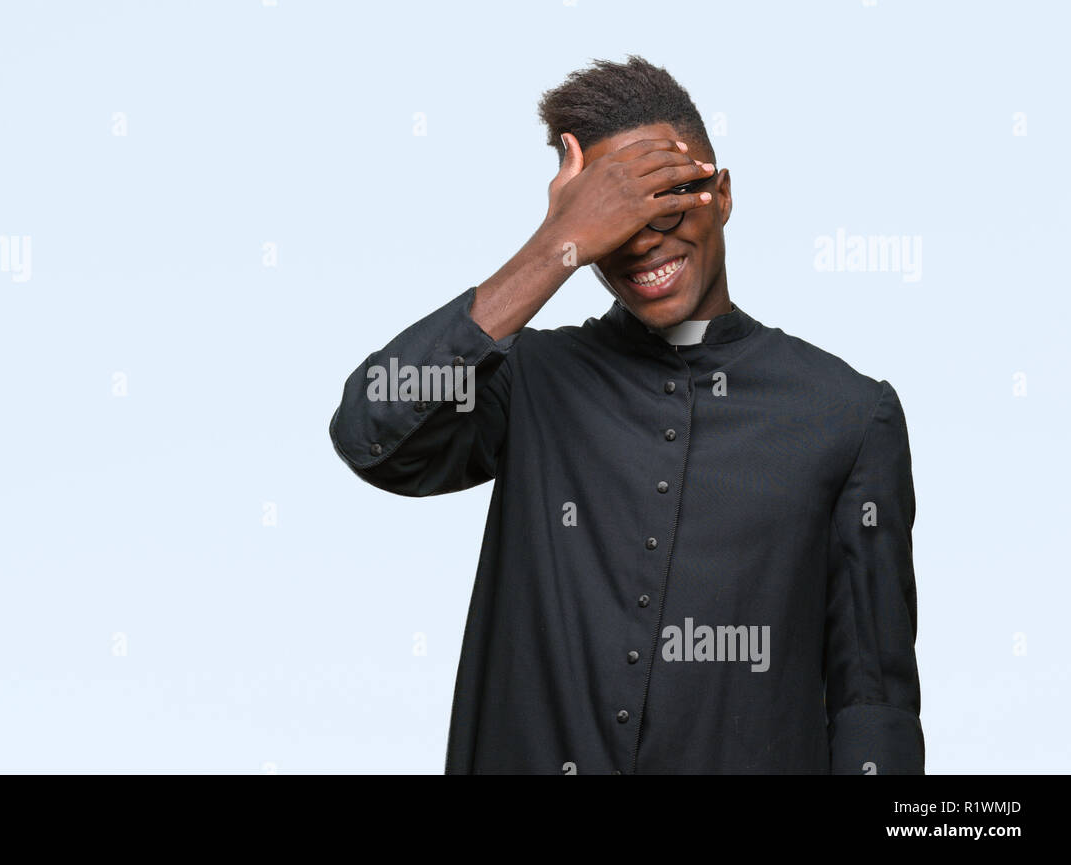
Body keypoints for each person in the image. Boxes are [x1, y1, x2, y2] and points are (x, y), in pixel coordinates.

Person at [329, 55, 924, 774]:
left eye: (667, 201)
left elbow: (874, 703)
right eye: (614, 221)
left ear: (724, 193)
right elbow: (371, 431)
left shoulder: (849, 415)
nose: (643, 241)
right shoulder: (527, 381)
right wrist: (556, 245)